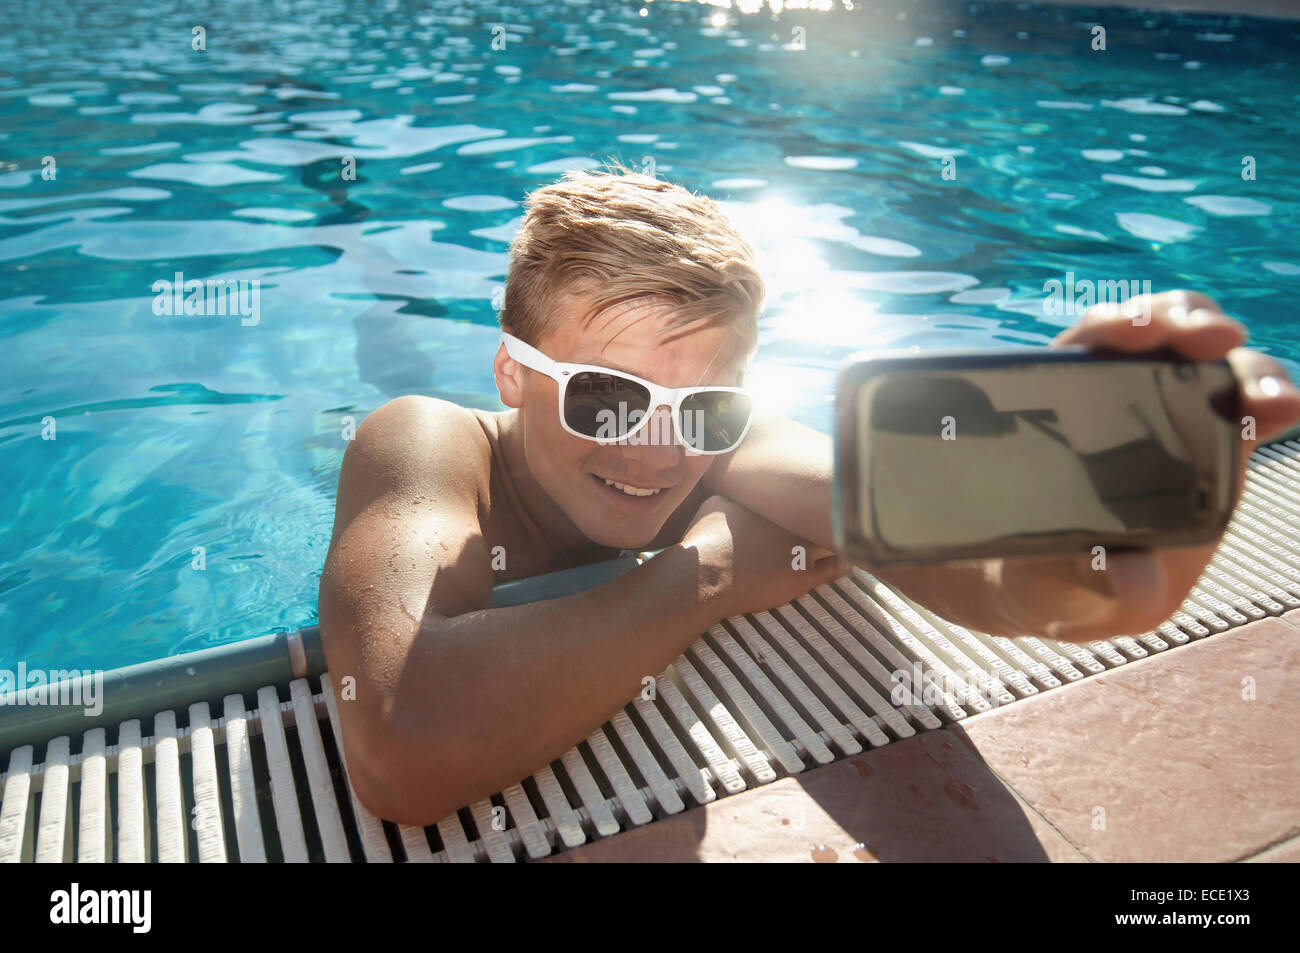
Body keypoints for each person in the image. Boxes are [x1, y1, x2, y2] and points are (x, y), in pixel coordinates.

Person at [317, 168, 1300, 826]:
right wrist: (706, 572)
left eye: (704, 405)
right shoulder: (425, 444)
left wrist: (1059, 571)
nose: (658, 447)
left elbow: (890, 518)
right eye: (607, 397)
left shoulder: (726, 443)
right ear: (512, 374)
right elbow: (402, 743)